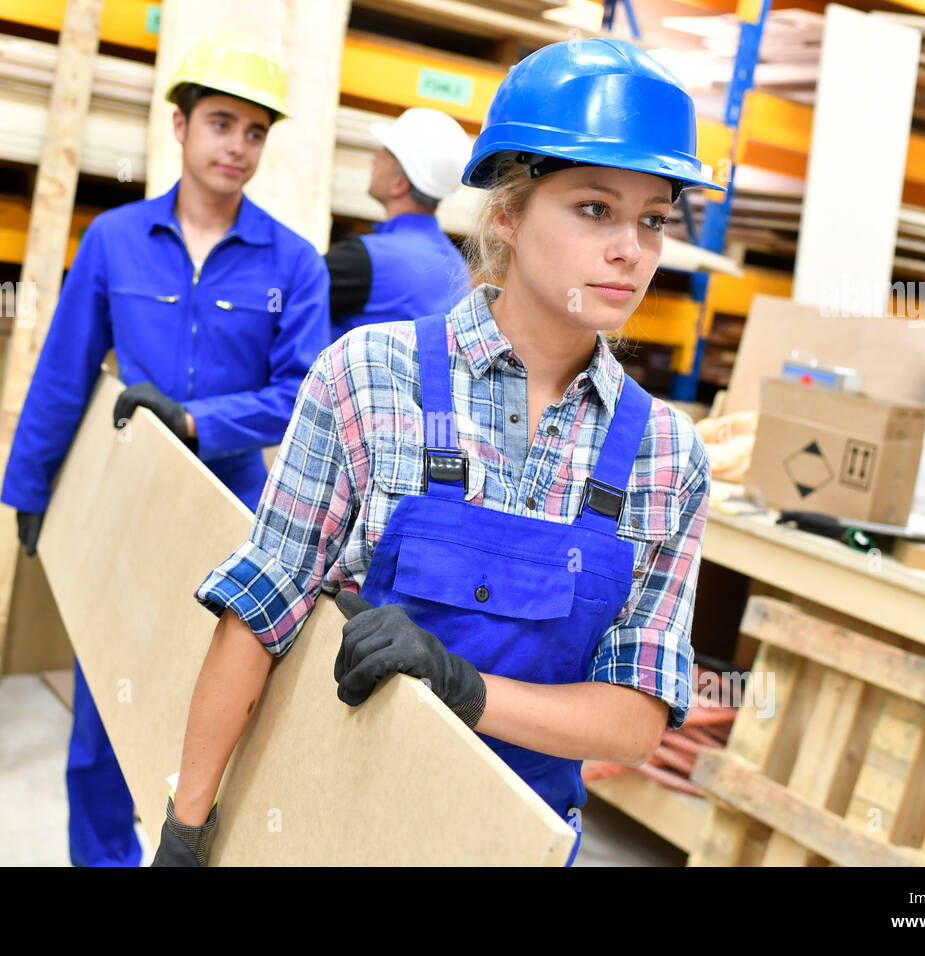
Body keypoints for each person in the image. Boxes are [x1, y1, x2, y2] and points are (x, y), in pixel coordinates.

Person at [151, 37, 718, 867]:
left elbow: (635, 718)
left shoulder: (667, 456)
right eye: (595, 209)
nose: (631, 249)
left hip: (512, 844)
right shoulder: (371, 377)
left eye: (653, 219)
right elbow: (261, 611)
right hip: (331, 822)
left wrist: (462, 688)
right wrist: (186, 828)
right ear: (507, 216)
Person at [0, 31, 331, 867]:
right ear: (178, 126)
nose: (239, 147)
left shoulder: (295, 264)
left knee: (226, 716)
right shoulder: (113, 240)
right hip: (131, 503)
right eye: (222, 123)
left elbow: (299, 398)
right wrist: (29, 492)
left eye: (257, 132)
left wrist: (192, 422)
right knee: (104, 708)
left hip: (236, 518)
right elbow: (62, 376)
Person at [326, 108, 472, 342]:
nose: (373, 159)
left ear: (399, 184)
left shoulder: (364, 259)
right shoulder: (457, 266)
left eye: (384, 154)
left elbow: (279, 299)